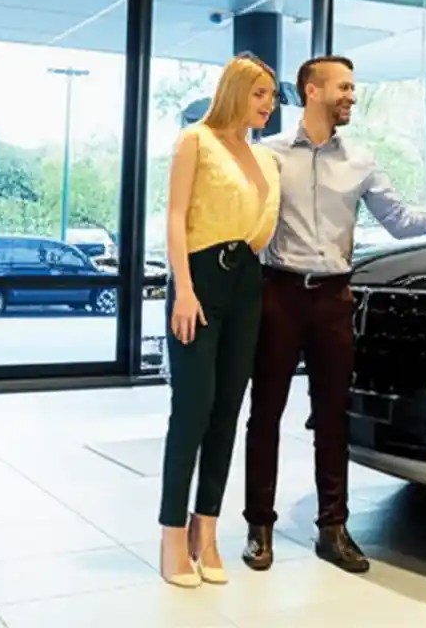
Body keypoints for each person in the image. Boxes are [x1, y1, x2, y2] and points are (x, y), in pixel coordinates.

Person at [241, 55, 426, 573]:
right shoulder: (269, 154)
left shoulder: (362, 160)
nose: (351, 96)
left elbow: (398, 223)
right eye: (343, 87)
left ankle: (333, 529)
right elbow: (244, 220)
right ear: (312, 89)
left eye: (353, 88)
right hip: (278, 293)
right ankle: (259, 526)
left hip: (333, 299)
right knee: (267, 413)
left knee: (332, 415)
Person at [158, 53, 282, 588]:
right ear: (234, 91)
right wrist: (182, 288)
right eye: (259, 95)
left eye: (273, 98)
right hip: (201, 277)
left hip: (247, 279)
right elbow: (175, 215)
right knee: (192, 408)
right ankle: (170, 535)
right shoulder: (196, 141)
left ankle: (205, 528)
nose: (268, 106)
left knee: (229, 407)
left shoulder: (265, 159)